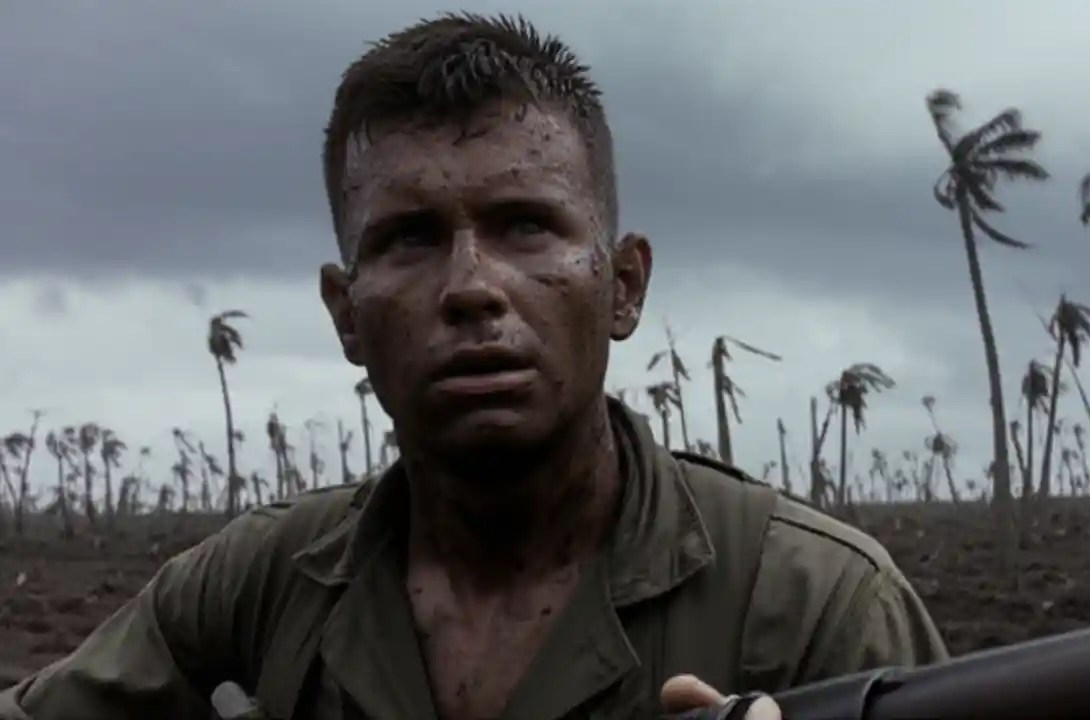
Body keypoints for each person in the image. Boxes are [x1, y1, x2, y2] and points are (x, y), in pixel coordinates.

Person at [0, 12, 947, 719]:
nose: (470, 288)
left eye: (525, 226)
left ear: (622, 286)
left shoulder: (813, 606)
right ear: (346, 315)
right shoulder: (255, 588)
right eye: (410, 239)